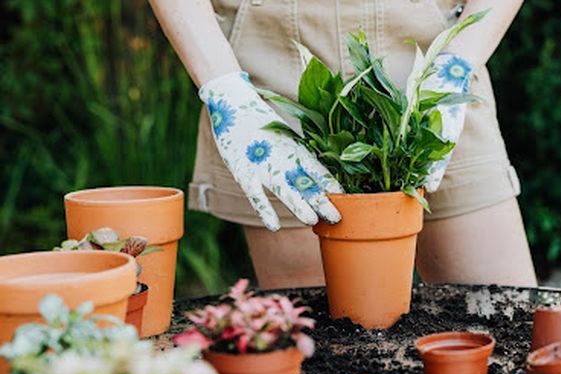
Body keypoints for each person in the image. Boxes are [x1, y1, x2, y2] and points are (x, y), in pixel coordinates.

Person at [149, 0, 537, 289]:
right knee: (322, 353)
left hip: (428, 61)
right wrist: (225, 91)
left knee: (505, 326)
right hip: (272, 65)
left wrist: (460, 62)